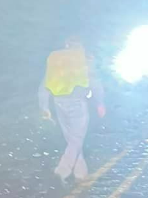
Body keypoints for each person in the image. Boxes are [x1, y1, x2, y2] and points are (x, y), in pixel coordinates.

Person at [39, 36, 105, 181]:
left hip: (58, 102)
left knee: (72, 138)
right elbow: (95, 83)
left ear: (67, 44)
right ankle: (62, 171)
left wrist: (44, 106)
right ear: (81, 45)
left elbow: (44, 84)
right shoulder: (84, 59)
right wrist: (100, 102)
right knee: (76, 139)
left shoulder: (57, 60)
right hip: (77, 103)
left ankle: (80, 173)